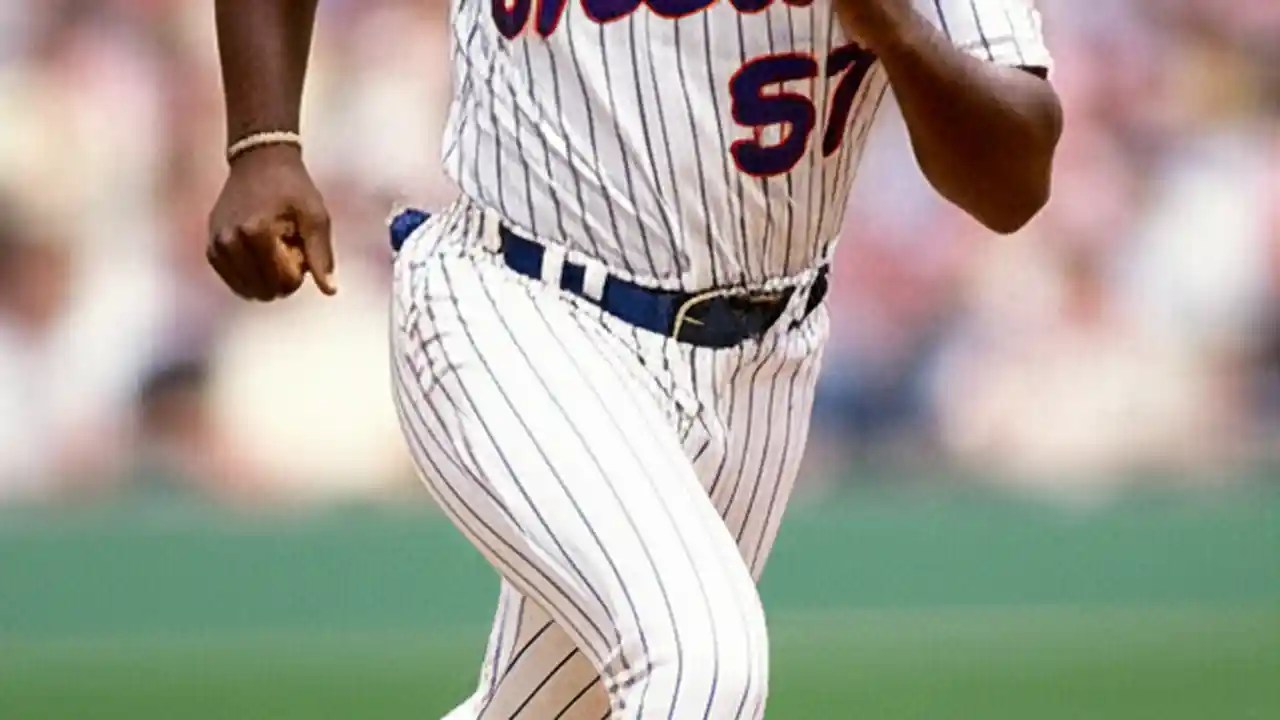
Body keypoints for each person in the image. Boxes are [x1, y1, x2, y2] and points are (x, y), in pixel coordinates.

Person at [207, 0, 1061, 716]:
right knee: (702, 661)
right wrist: (264, 140)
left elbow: (1014, 179)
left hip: (763, 364)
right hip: (513, 297)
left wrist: (895, 29)